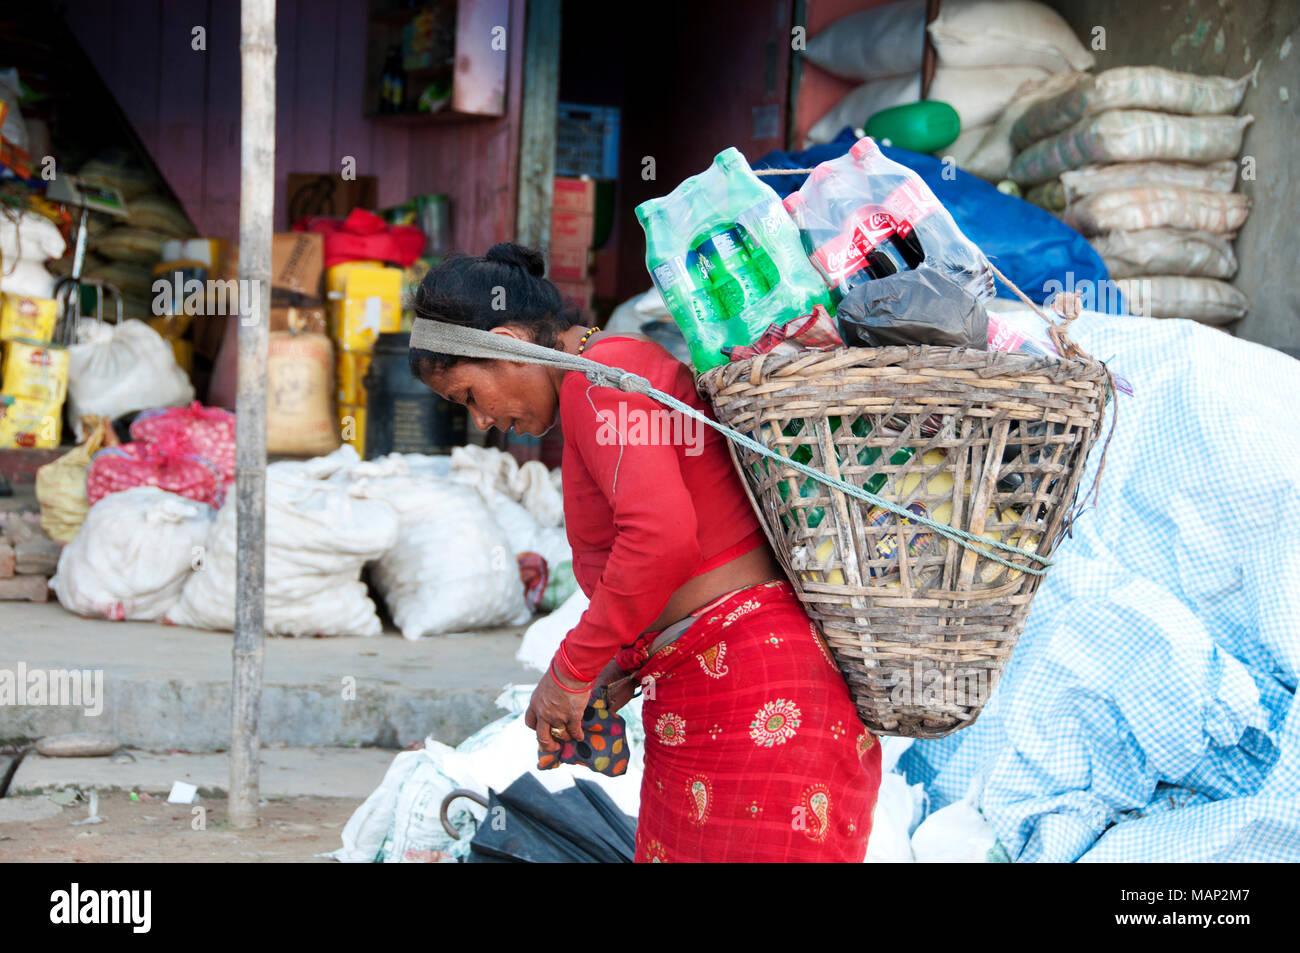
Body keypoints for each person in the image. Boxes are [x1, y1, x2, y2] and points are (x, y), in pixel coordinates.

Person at [409, 242, 881, 862]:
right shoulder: (607, 373)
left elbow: (659, 540)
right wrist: (622, 661)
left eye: (468, 395)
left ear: (504, 342)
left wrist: (572, 670)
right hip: (720, 684)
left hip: (755, 693)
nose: (482, 422)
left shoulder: (598, 383)